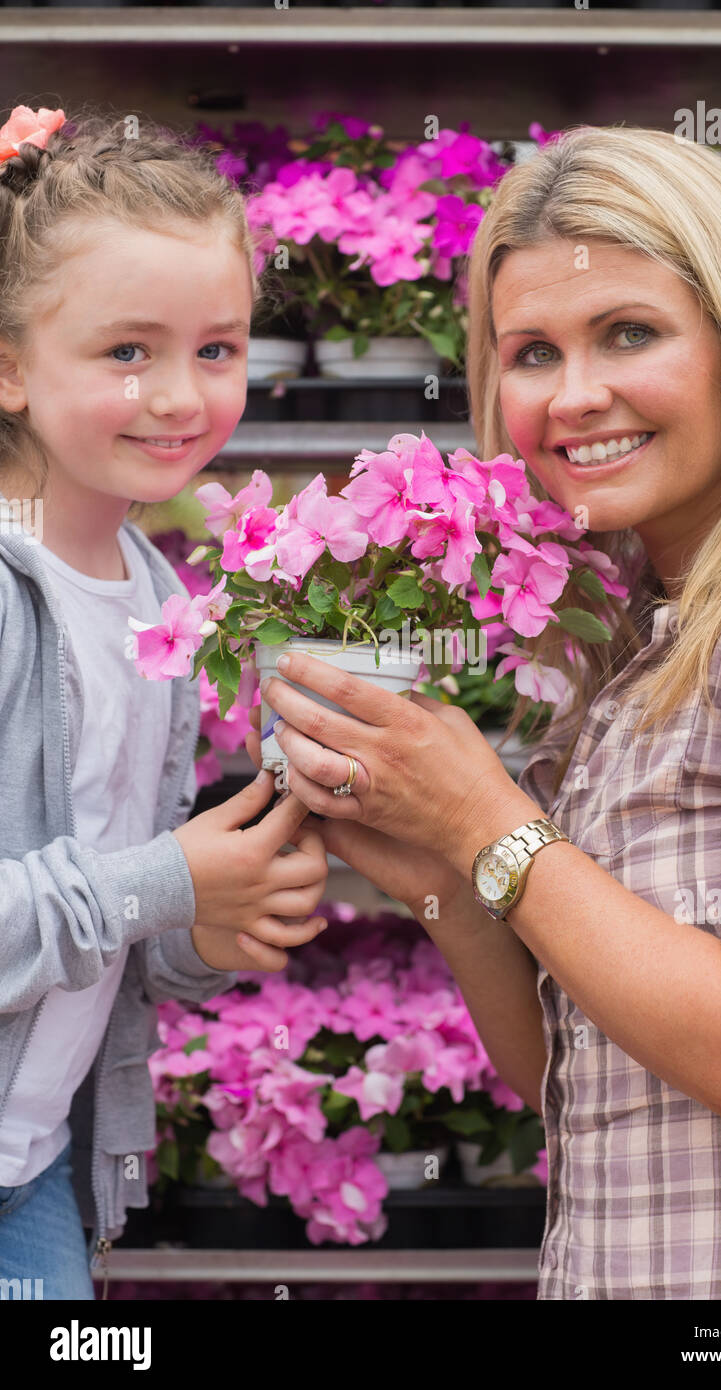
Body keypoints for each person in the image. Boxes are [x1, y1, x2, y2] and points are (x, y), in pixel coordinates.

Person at [254, 125, 721, 1299]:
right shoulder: (634, 626)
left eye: (628, 333)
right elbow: (576, 1071)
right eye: (530, 352)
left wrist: (484, 816)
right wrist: (434, 868)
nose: (575, 396)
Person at [0, 104, 330, 1300]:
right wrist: (170, 881)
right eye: (127, 352)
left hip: (36, 1172)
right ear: (9, 365)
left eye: (219, 348)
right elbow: (128, 881)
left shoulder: (156, 595)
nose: (180, 396)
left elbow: (115, 920)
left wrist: (208, 928)